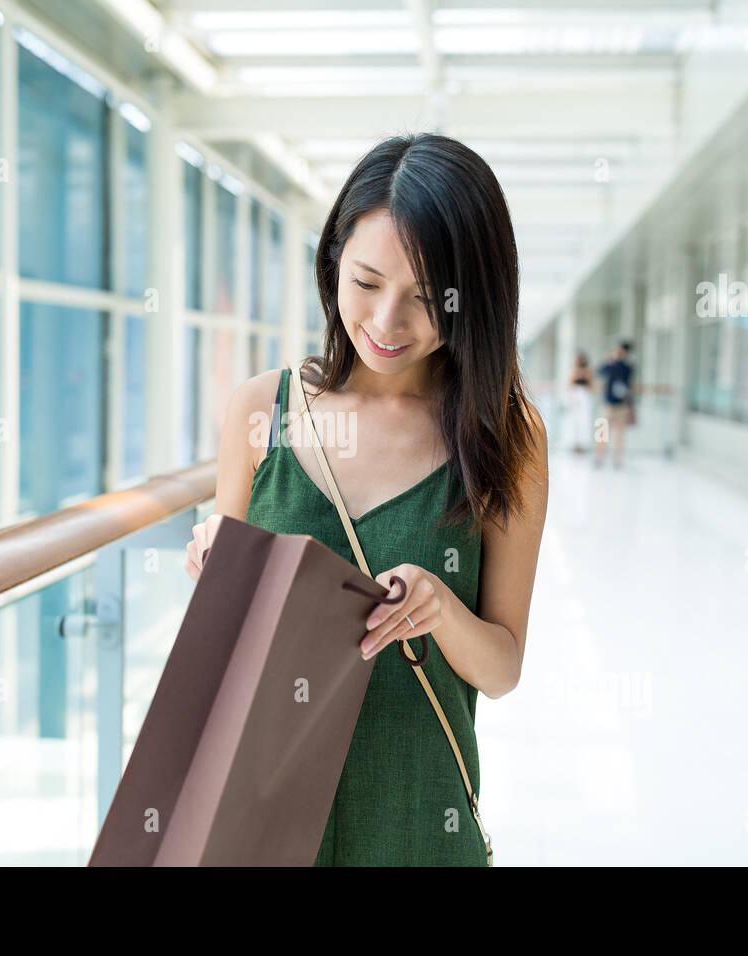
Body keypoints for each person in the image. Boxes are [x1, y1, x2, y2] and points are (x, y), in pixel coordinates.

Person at [183, 133, 549, 866]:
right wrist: (211, 570)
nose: (386, 324)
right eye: (367, 282)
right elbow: (219, 657)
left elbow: (502, 669)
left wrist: (440, 607)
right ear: (332, 264)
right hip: (263, 822)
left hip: (418, 822)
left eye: (423, 297)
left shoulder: (505, 437)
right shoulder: (262, 410)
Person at [595, 341, 634, 469]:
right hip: (608, 404)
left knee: (619, 434)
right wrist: (609, 360)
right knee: (602, 432)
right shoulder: (610, 364)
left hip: (621, 405)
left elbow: (628, 383)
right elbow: (599, 371)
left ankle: (617, 459)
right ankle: (599, 457)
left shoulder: (627, 367)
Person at [567, 350, 594, 453]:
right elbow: (570, 384)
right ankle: (574, 444)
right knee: (574, 421)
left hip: (585, 397)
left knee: (584, 421)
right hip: (575, 397)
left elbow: (591, 385)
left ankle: (583, 445)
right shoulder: (573, 370)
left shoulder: (588, 371)